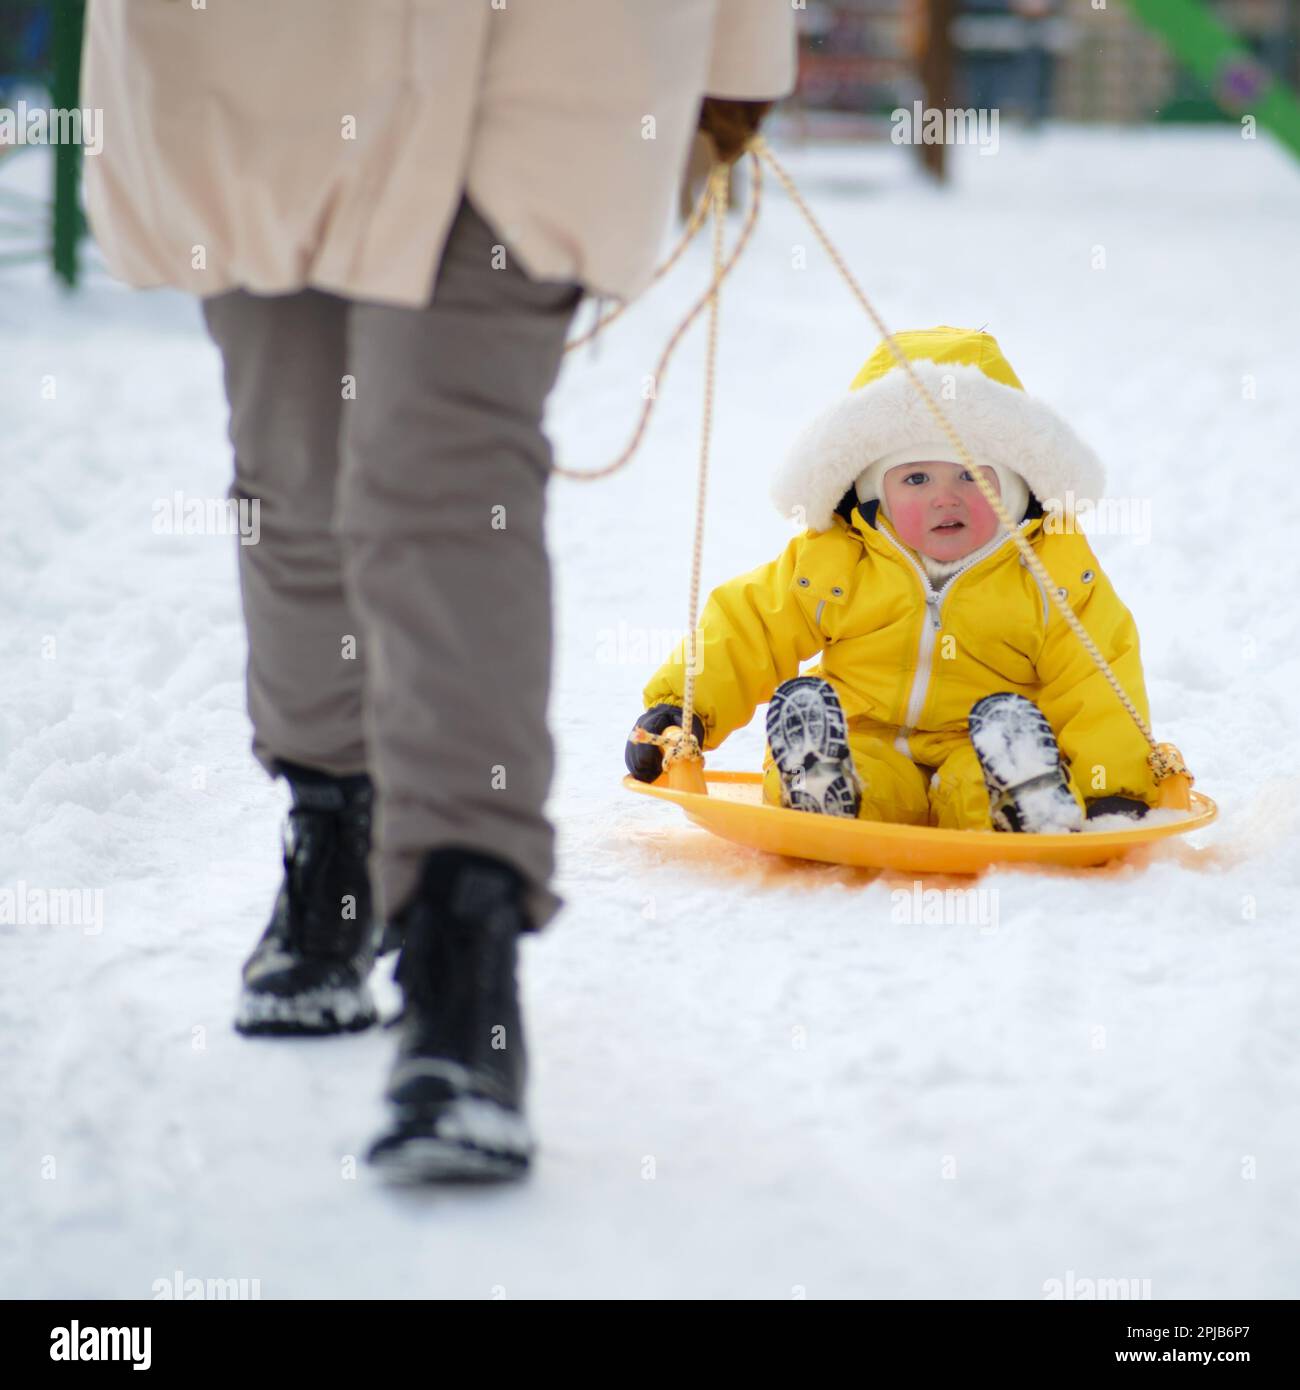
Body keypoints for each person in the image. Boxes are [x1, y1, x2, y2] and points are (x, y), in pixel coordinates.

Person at [80, 0, 797, 1181]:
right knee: (296, 471)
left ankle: (465, 963)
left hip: (553, 53)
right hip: (264, 58)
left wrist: (742, 51)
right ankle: (334, 828)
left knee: (441, 476)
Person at [626, 326, 1158, 835]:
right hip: (860, 732)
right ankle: (826, 783)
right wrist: (681, 709)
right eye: (916, 478)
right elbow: (750, 628)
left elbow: (1098, 676)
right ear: (870, 489)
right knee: (862, 769)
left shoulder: (1049, 575)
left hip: (981, 742)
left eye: (971, 475)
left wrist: (1113, 786)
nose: (944, 497)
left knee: (979, 778)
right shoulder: (837, 561)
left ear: (1017, 491)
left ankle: (1020, 794)